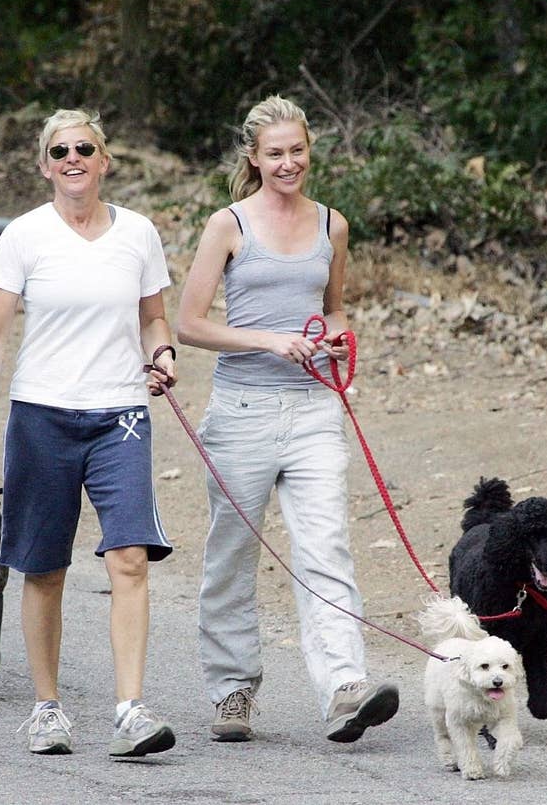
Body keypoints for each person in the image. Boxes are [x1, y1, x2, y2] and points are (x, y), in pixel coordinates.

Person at [177, 94, 399, 743]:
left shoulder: (333, 224)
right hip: (241, 409)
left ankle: (343, 687)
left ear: (309, 151)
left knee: (326, 546)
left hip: (313, 407)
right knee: (231, 553)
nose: (288, 162)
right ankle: (232, 689)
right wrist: (269, 340)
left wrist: (338, 339)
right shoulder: (229, 225)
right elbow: (190, 323)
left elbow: (332, 308)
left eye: (296, 150)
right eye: (275, 153)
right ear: (254, 157)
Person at [0, 108, 177, 759]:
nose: (72, 157)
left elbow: (155, 320)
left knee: (130, 556)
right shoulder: (26, 236)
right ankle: (47, 708)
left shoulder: (138, 234)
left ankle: (131, 708)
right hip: (41, 415)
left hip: (120, 416)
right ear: (44, 164)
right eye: (59, 150)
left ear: (104, 159)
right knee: (44, 566)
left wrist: (164, 353)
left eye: (84, 147)